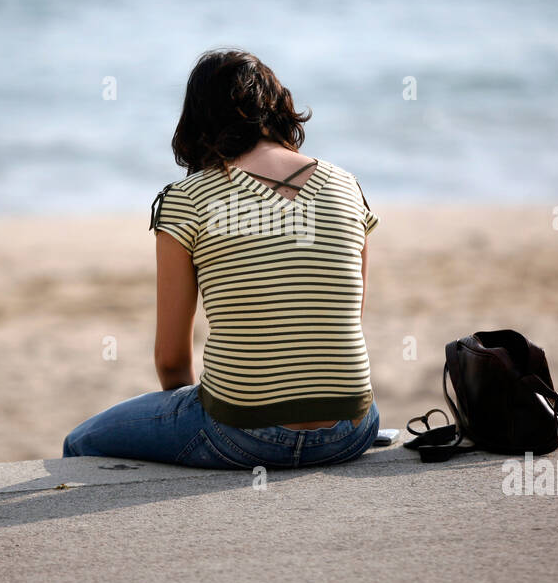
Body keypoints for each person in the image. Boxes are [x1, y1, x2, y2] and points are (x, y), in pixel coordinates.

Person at [62, 48, 381, 469]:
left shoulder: (185, 200)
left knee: (80, 442)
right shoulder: (346, 185)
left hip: (242, 434)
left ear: (197, 120)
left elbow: (172, 360)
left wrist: (192, 412)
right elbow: (342, 319)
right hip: (351, 429)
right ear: (281, 109)